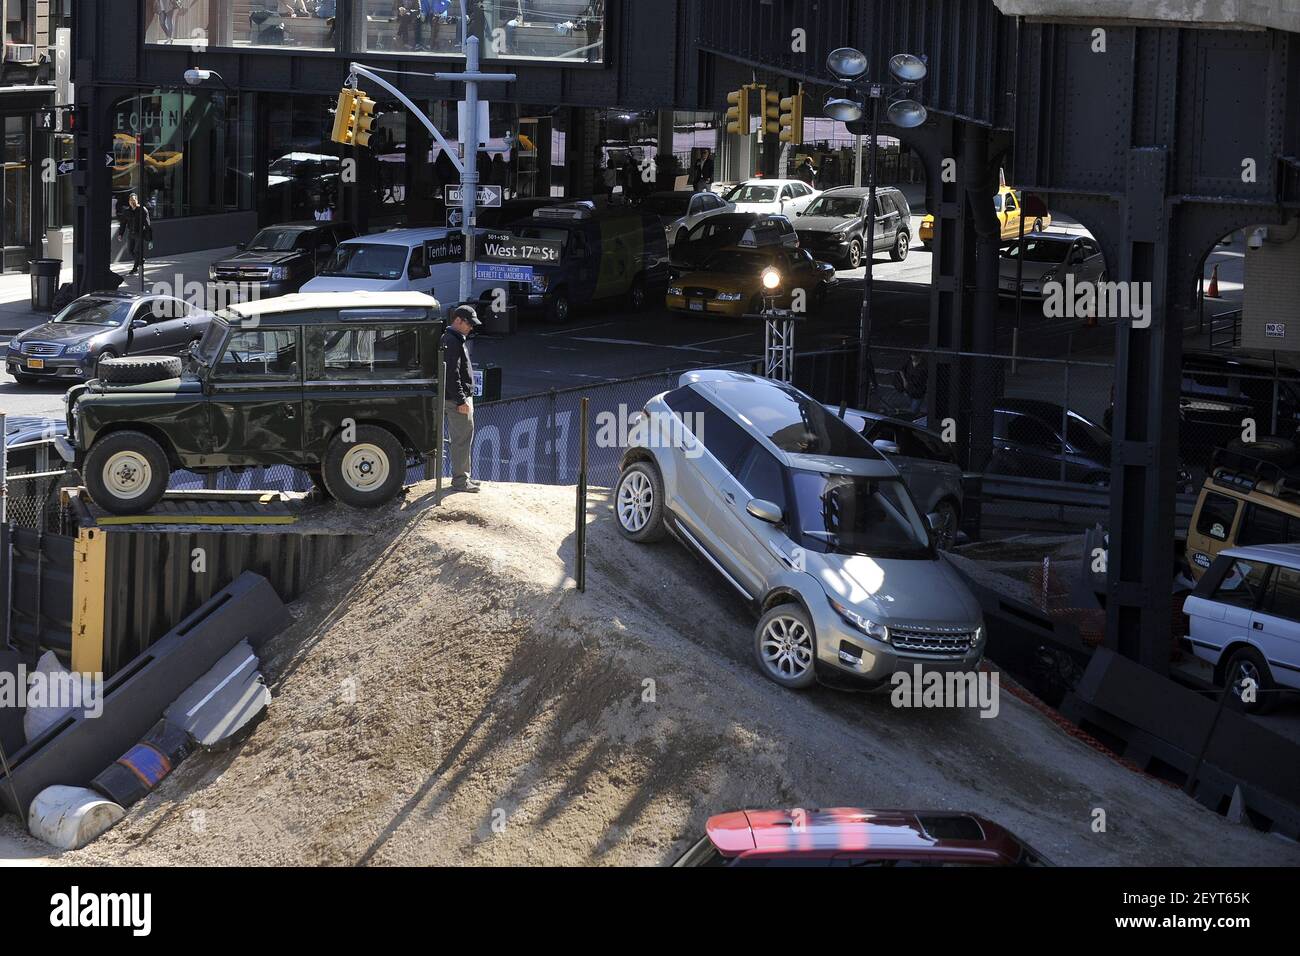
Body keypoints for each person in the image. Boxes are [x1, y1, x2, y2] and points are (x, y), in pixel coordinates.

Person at [442, 305, 482, 492]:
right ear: (458, 320)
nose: (471, 327)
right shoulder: (453, 340)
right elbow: (451, 373)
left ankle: (464, 477)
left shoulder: (455, 339)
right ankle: (460, 480)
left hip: (456, 397)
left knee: (463, 437)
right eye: (469, 323)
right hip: (456, 399)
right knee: (461, 439)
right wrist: (460, 400)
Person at [118, 193, 152, 276]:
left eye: (134, 200)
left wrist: (150, 238)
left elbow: (147, 224)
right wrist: (120, 234)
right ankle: (140, 260)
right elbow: (123, 224)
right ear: (129, 202)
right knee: (130, 251)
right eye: (131, 200)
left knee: (137, 251)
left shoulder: (142, 210)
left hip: (139, 233)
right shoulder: (126, 211)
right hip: (131, 234)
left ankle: (135, 268)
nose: (132, 202)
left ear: (137, 200)